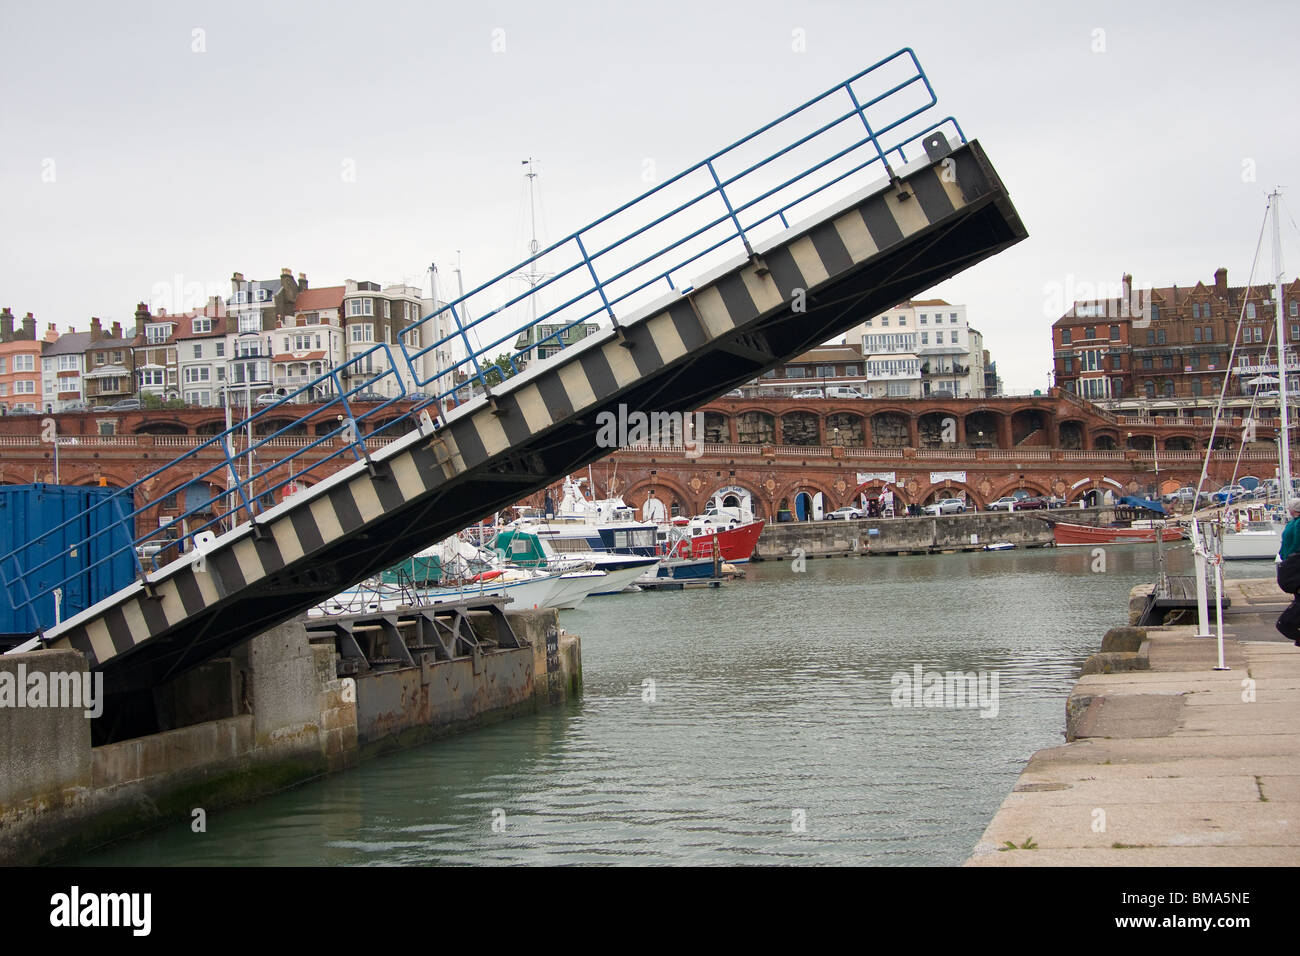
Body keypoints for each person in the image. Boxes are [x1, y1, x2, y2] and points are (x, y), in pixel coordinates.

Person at [1275, 498, 1300, 645]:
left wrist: (1290, 559)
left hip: (1294, 565)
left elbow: (1296, 544)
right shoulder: (1294, 523)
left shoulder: (1297, 524)